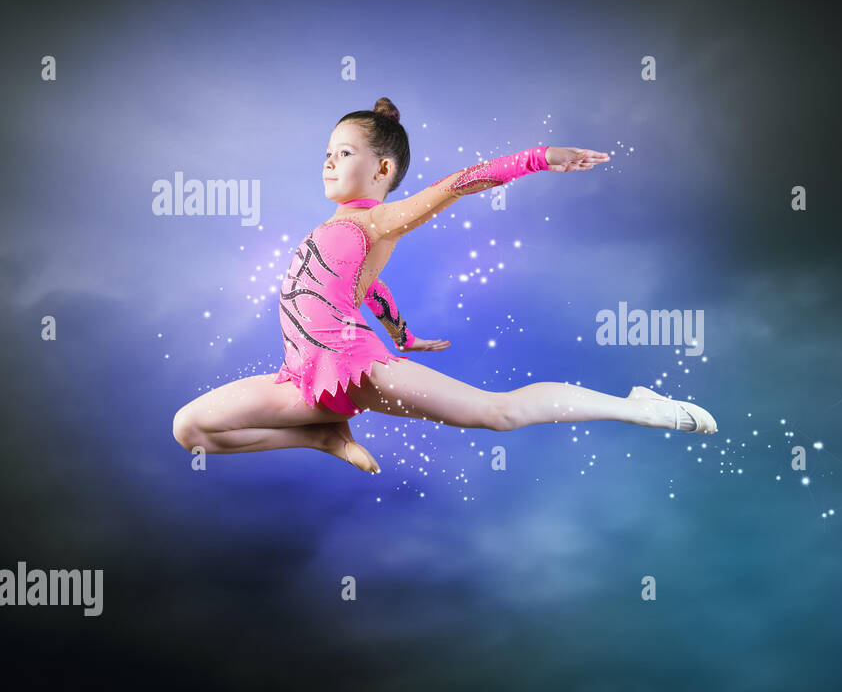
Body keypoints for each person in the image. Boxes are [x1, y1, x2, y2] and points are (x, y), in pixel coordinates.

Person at [172, 97, 716, 473]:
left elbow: (457, 184)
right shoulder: (341, 230)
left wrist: (541, 158)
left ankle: (638, 405)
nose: (329, 162)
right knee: (192, 429)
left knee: (497, 413)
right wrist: (404, 335)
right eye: (327, 153)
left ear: (383, 169)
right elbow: (364, 291)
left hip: (354, 366)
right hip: (304, 377)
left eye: (344, 153)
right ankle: (321, 436)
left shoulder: (376, 221)